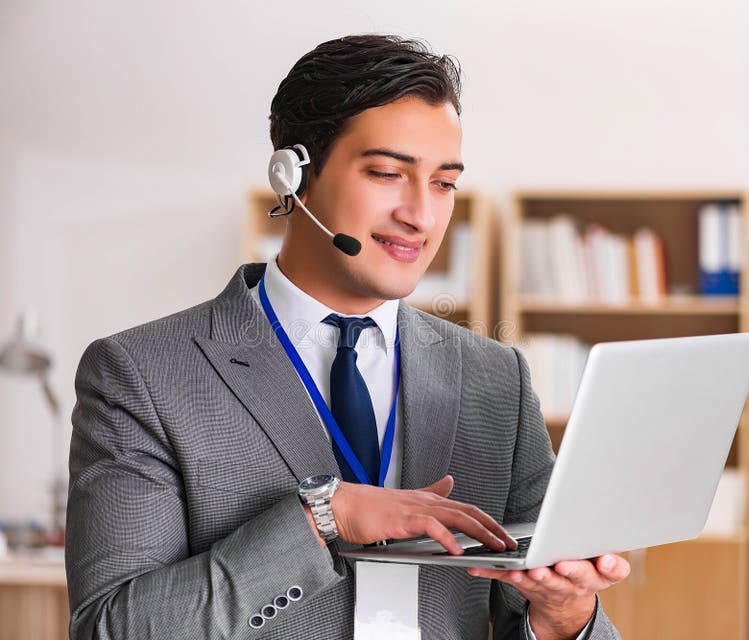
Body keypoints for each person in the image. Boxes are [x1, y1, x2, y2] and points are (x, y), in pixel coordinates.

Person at [66, 34, 630, 639]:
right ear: (293, 175)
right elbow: (109, 629)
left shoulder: (496, 379)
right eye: (387, 173)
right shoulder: (143, 373)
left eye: (444, 183)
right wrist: (318, 521)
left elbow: (540, 609)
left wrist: (566, 615)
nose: (421, 215)